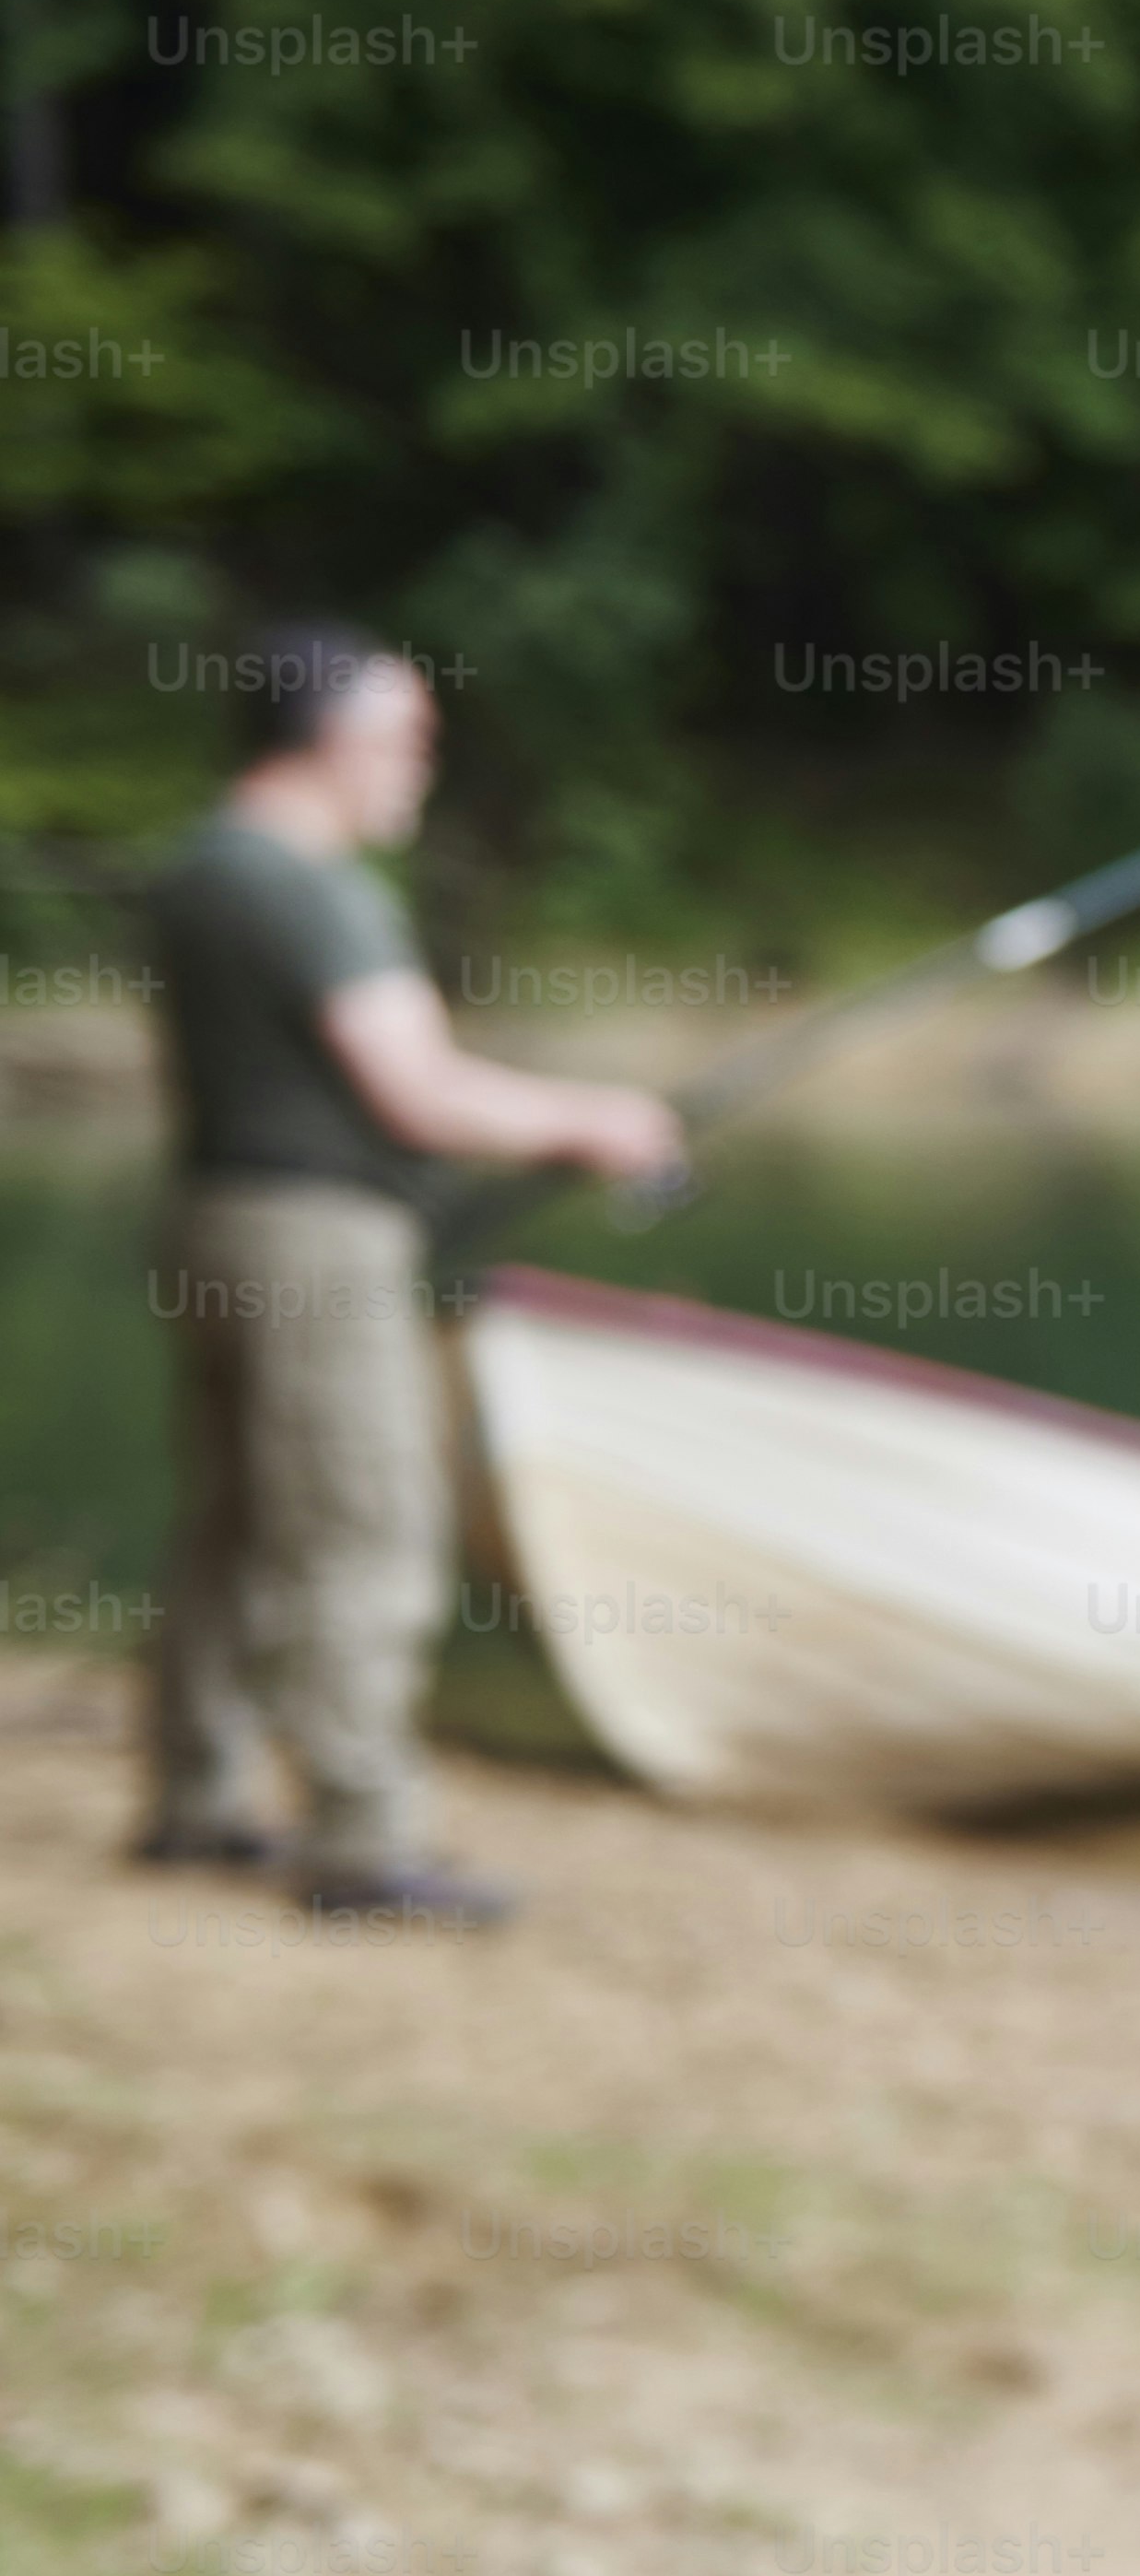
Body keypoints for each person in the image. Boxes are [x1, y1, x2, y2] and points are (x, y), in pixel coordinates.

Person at [136, 623, 677, 1922]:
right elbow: (418, 1092)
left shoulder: (197, 870)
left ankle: (198, 1800)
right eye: (408, 738)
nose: (421, 767)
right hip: (318, 1245)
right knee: (362, 1527)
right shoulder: (313, 887)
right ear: (330, 735)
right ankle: (363, 1842)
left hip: (212, 1218)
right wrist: (597, 1120)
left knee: (233, 1525)